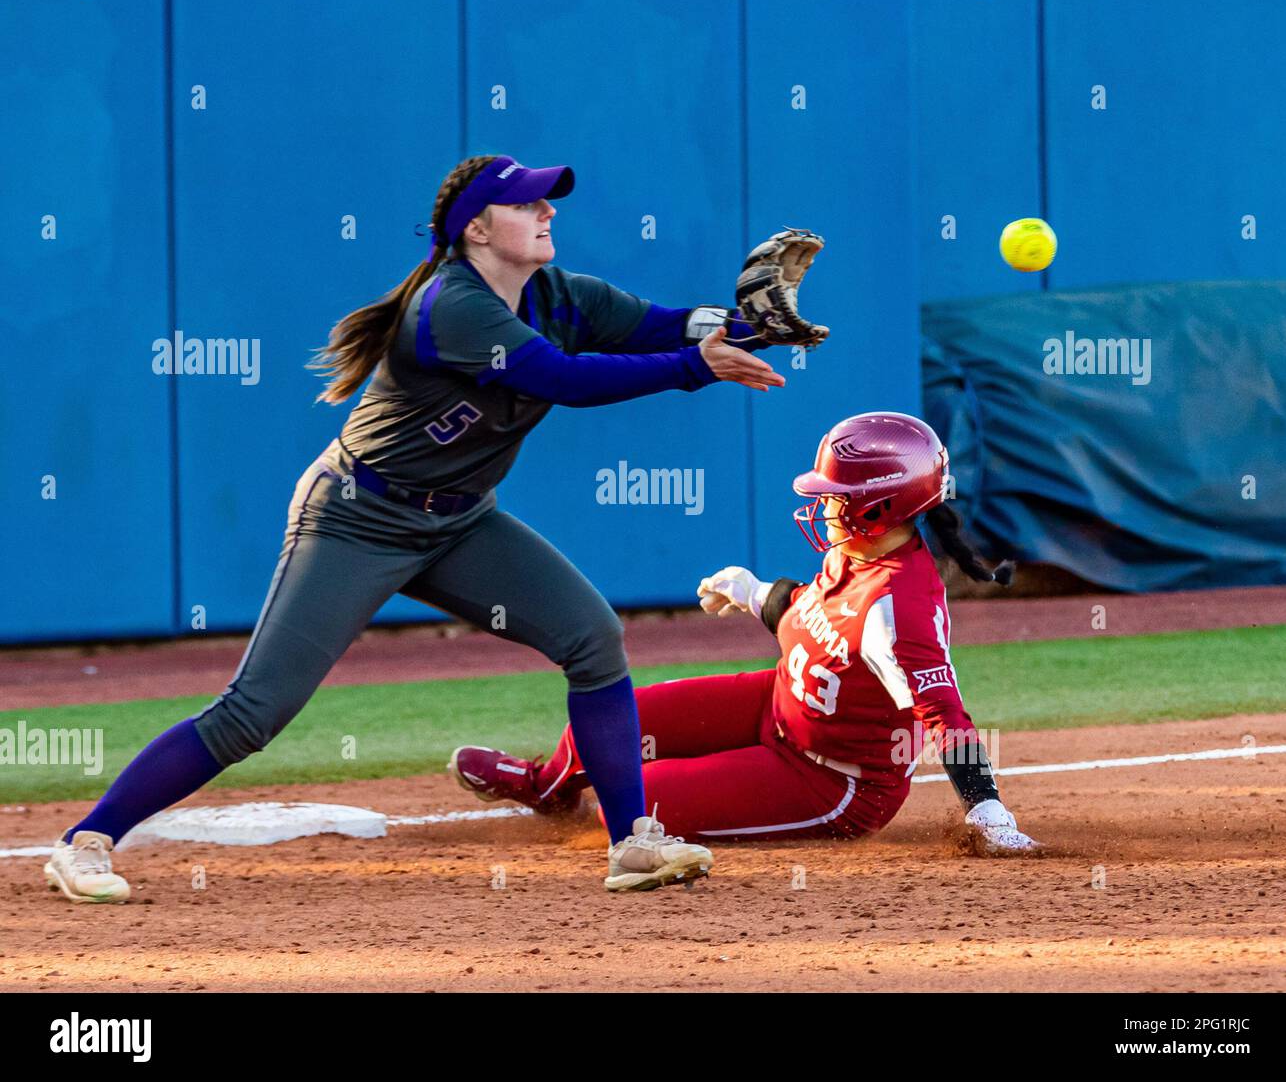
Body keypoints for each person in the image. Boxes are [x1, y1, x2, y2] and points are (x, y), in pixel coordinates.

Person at [44, 154, 792, 903]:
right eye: (529, 202)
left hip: (460, 521)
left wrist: (751, 325)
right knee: (254, 713)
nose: (549, 211)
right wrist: (698, 366)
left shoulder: (562, 296)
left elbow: (662, 326)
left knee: (593, 638)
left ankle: (632, 844)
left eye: (549, 201)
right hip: (356, 519)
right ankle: (87, 841)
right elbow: (566, 382)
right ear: (475, 227)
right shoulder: (451, 305)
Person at [450, 412, 1041, 854]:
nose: (824, 506)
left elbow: (943, 713)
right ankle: (546, 786)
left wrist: (986, 809)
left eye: (837, 497)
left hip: (830, 781)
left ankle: (603, 810)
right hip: (773, 705)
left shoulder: (898, 608)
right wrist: (753, 591)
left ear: (880, 508)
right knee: (614, 720)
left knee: (628, 809)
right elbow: (815, 618)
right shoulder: (859, 555)